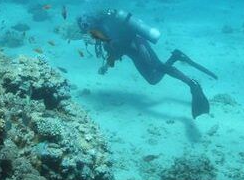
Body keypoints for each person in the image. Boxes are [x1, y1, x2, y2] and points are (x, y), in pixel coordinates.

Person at [77, 9, 217, 118]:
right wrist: (106, 66)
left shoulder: (107, 25)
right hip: (134, 53)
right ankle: (175, 56)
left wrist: (140, 44)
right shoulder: (101, 34)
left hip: (139, 46)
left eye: (87, 29)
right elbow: (114, 51)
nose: (87, 34)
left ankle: (192, 84)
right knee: (153, 79)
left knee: (158, 66)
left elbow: (128, 31)